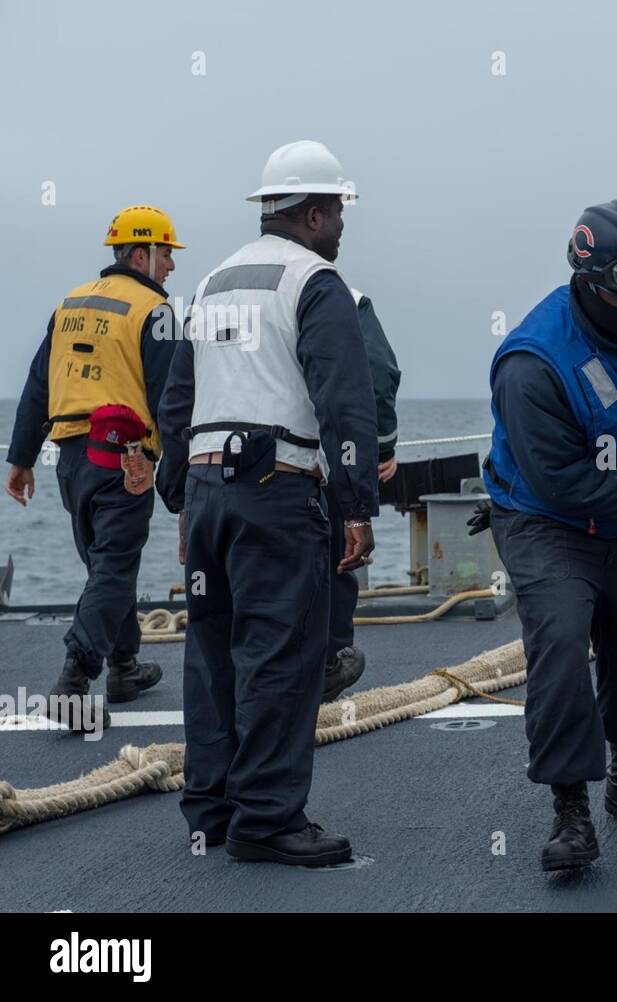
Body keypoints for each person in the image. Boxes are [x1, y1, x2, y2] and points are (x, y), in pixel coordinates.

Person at [156, 140, 379, 866]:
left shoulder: (214, 281)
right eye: (338, 211)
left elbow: (178, 401)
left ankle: (212, 808)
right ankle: (269, 817)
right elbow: (346, 402)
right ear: (312, 213)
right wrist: (355, 507)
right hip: (277, 491)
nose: (343, 226)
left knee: (212, 652)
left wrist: (180, 493)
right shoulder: (316, 284)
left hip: (209, 490)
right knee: (281, 653)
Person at [480, 199, 617, 872]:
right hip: (547, 521)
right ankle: (570, 810)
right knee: (558, 641)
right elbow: (565, 486)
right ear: (588, 282)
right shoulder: (533, 365)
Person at [5, 205, 185, 730]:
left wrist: (19, 459)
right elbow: (172, 404)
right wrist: (180, 484)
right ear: (140, 254)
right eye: (167, 254)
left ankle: (124, 668)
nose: (171, 266)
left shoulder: (71, 304)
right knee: (112, 567)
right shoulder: (156, 311)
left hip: (70, 462)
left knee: (107, 565)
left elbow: (38, 383)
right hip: (123, 457)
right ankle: (74, 679)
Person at [321, 287, 402, 704]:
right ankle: (330, 665)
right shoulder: (344, 296)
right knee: (336, 557)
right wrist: (383, 446)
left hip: (238, 463)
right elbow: (379, 371)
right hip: (319, 457)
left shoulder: (223, 290)